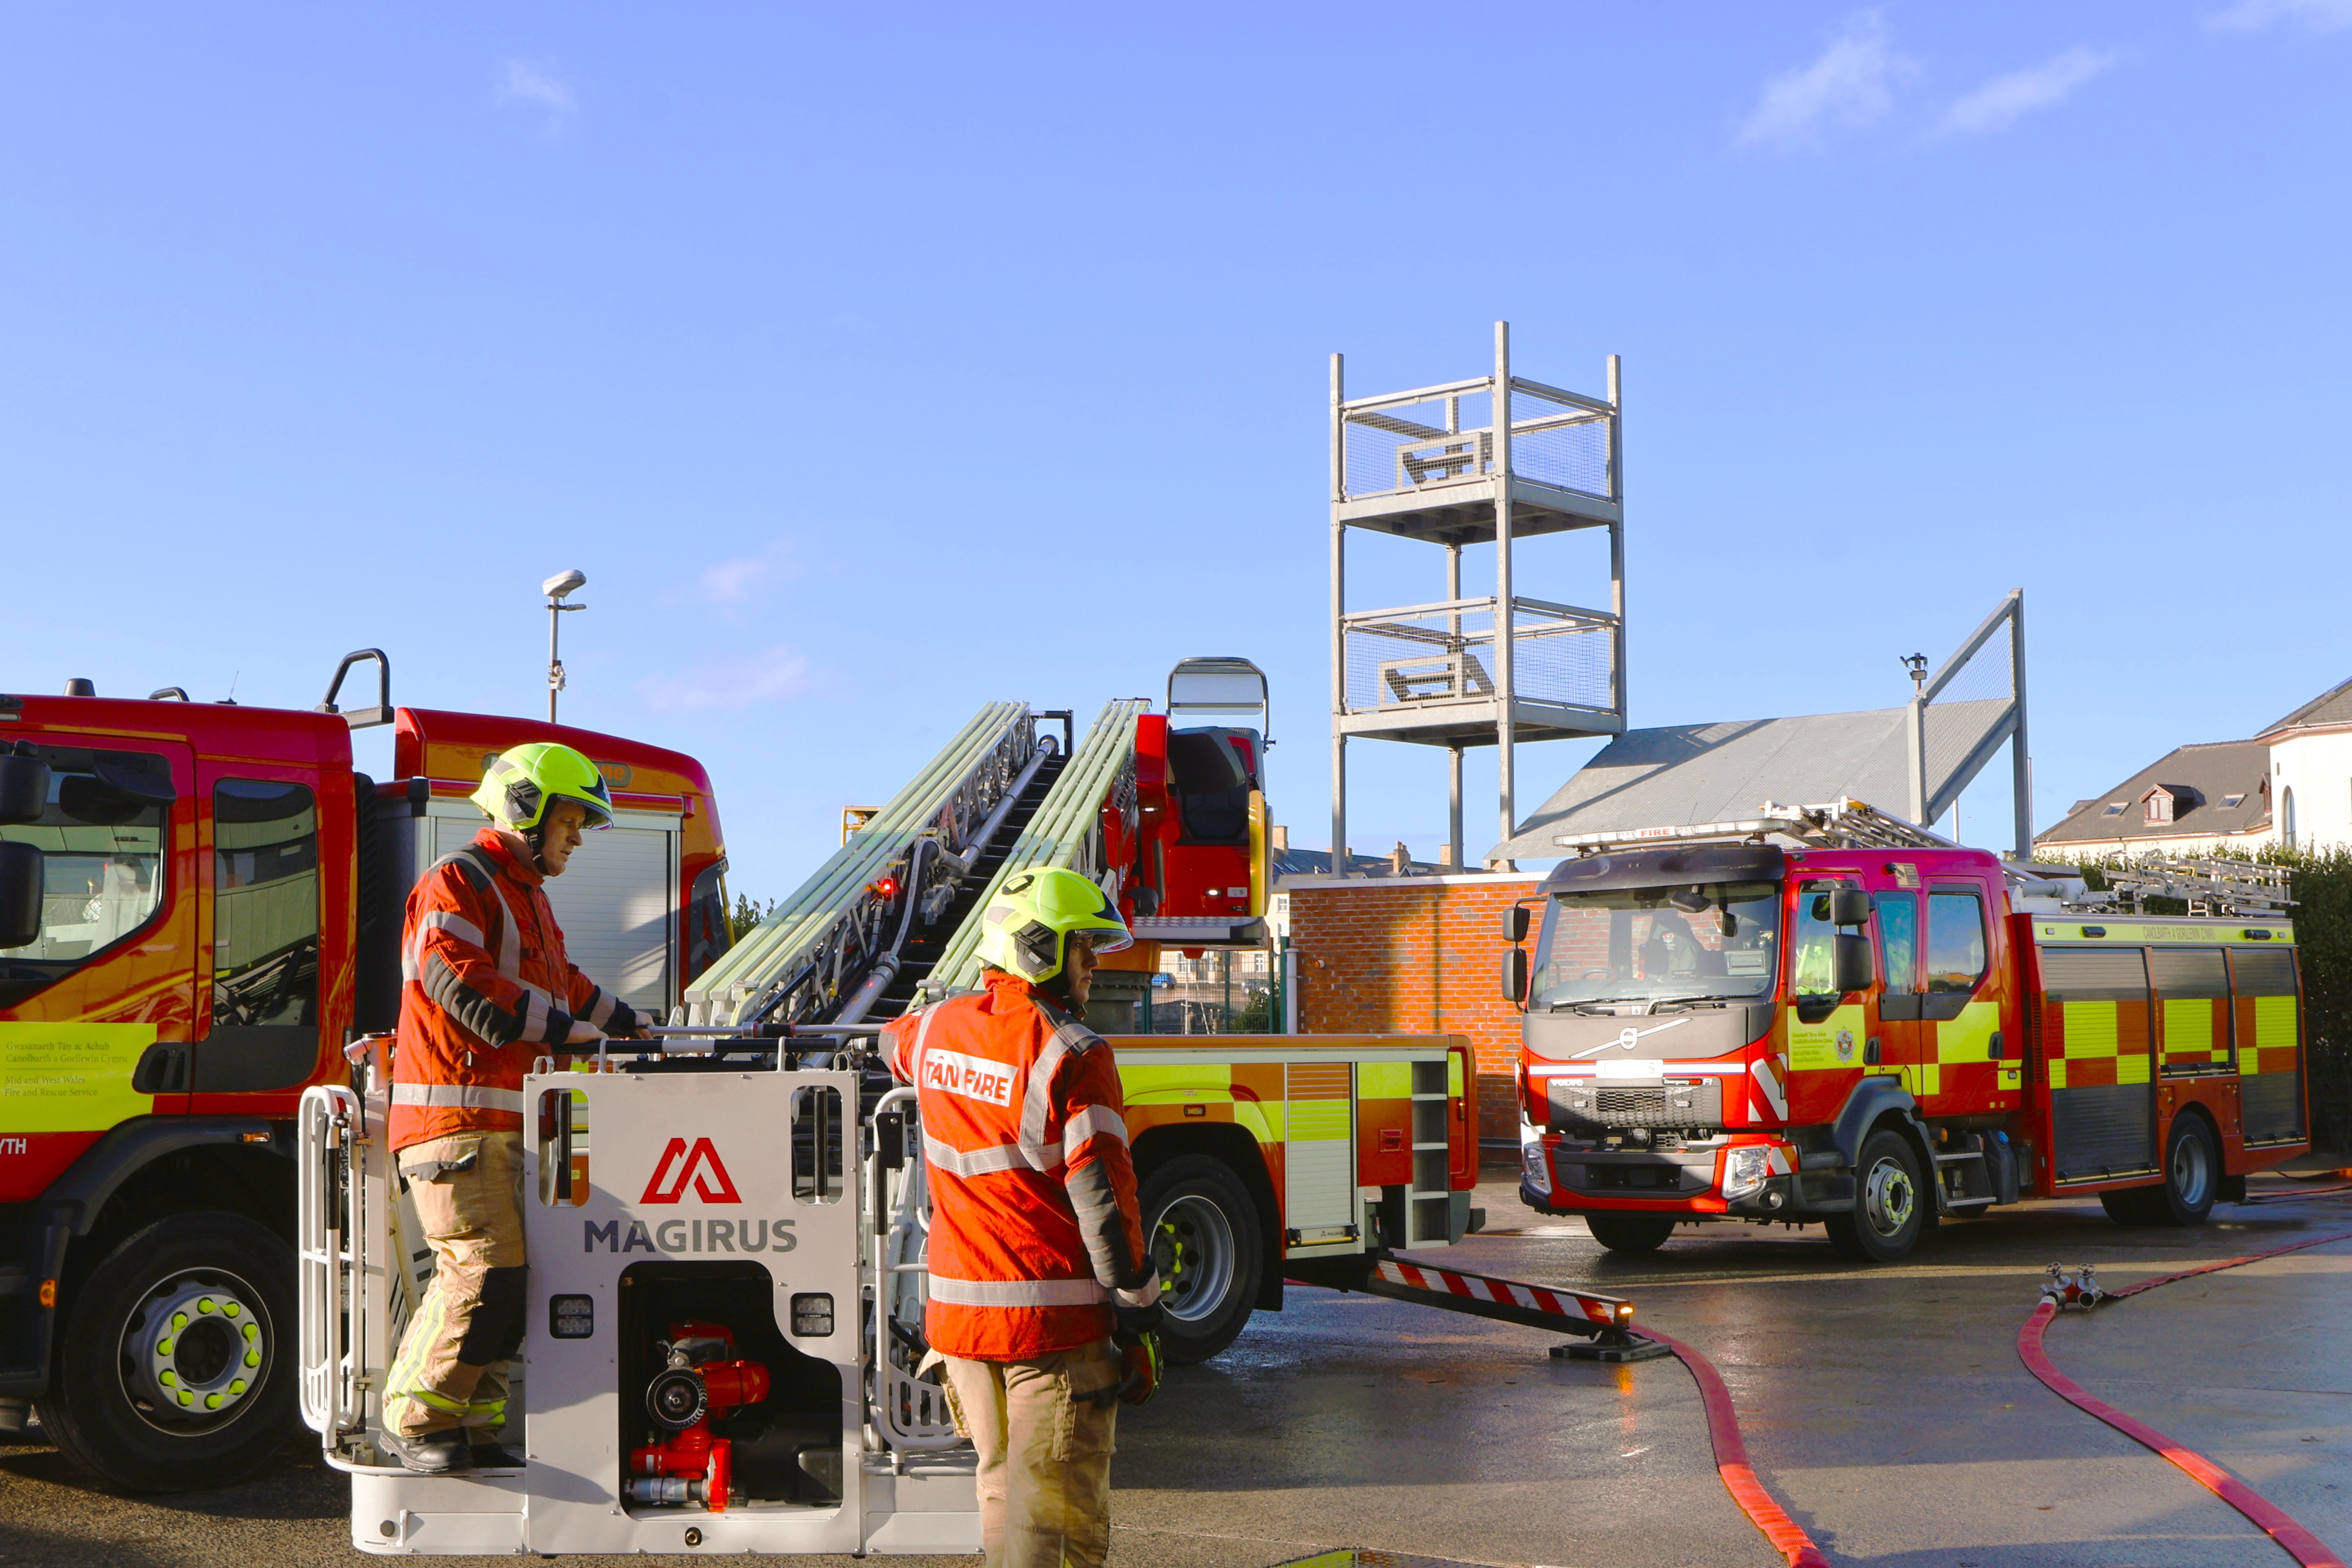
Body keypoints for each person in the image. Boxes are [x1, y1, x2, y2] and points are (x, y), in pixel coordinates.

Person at [885, 867, 1162, 1568]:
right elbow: (1105, 1204)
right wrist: (1140, 1315)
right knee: (1054, 1528)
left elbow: (892, 1042)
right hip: (1054, 1332)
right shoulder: (1074, 1054)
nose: (1095, 964)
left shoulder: (937, 1031)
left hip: (962, 1331)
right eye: (1083, 949)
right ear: (1039, 949)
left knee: (1001, 1499)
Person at [380, 742, 643, 1473]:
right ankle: (414, 1420)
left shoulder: (524, 893)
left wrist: (630, 1022)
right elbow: (457, 984)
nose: (579, 834)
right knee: (486, 1276)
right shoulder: (457, 883)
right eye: (572, 818)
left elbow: (565, 985)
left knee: (515, 1285)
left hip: (504, 1128)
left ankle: (475, 1428)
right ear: (529, 809)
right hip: (455, 1125)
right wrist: (568, 1030)